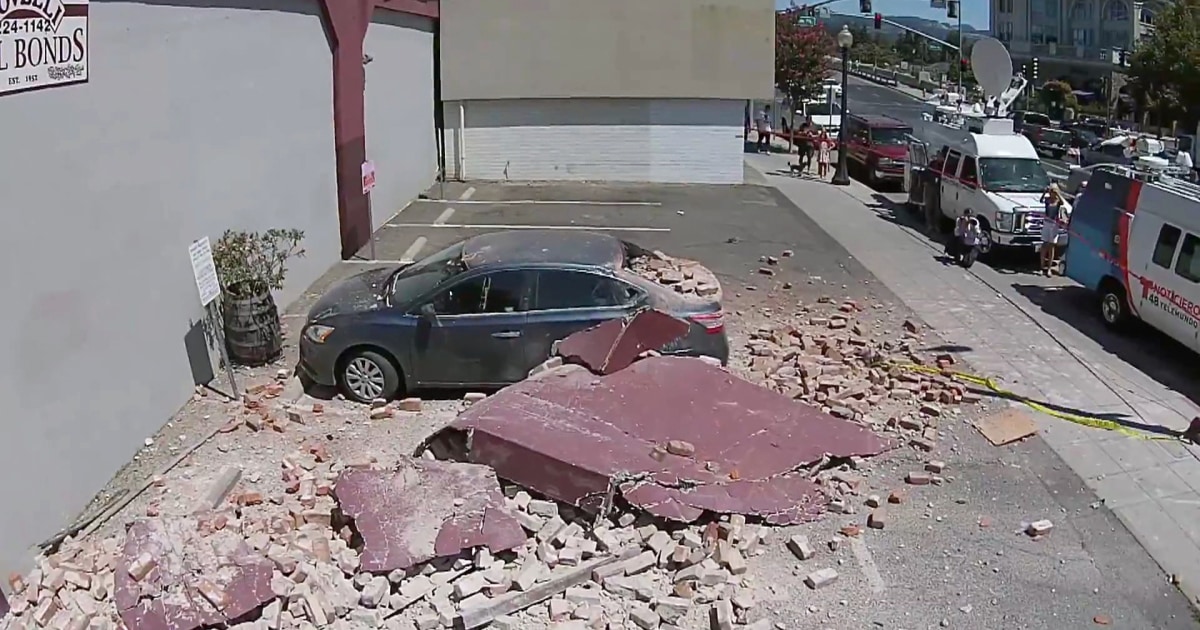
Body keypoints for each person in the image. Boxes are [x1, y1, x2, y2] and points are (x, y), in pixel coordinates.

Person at [1039, 183, 1065, 276]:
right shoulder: (1047, 200)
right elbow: (1041, 200)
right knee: (1044, 244)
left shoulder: (1058, 201)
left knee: (1051, 246)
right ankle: (1042, 266)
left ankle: (1049, 268)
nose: (1051, 193)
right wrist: (1045, 192)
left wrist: (1058, 194)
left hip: (1054, 224)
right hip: (1047, 222)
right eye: (1051, 191)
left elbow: (1063, 203)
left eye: (1053, 191)